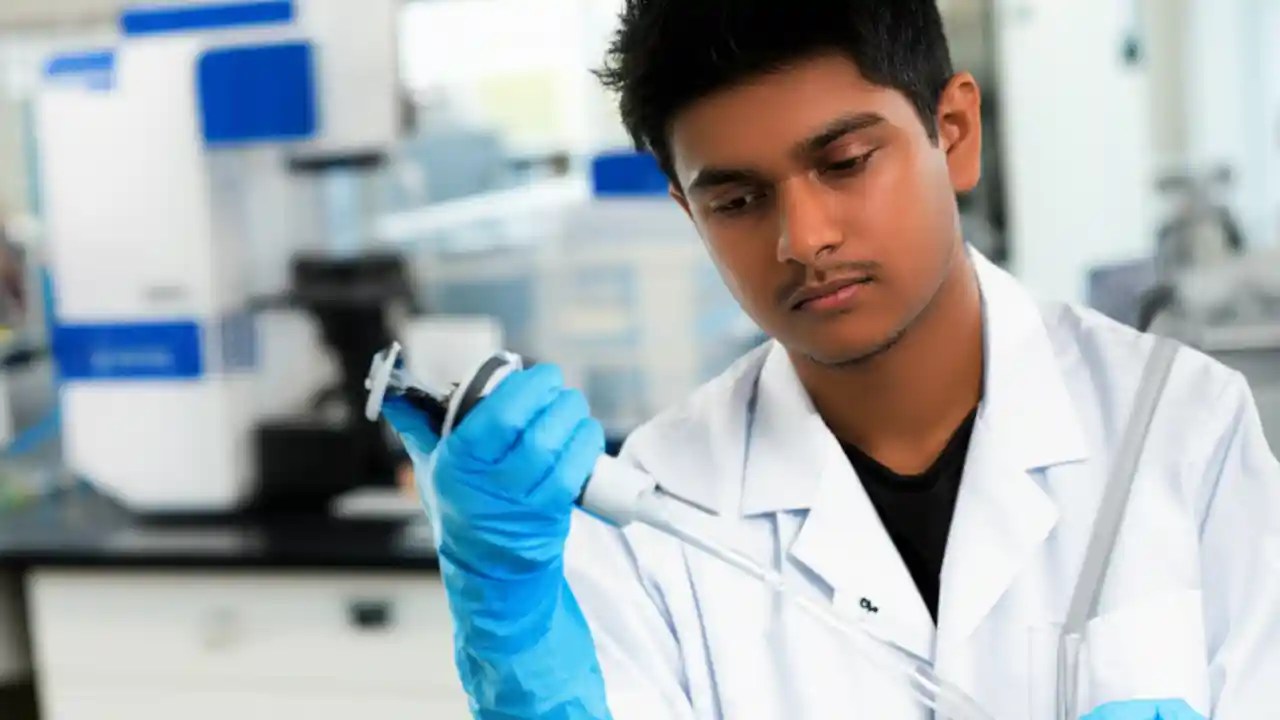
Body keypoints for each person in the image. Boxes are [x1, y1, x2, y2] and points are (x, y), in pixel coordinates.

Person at [383, 1, 1280, 718]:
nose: (803, 239)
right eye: (737, 200)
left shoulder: (1178, 425)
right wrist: (511, 632)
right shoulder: (657, 504)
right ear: (690, 213)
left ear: (954, 131)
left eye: (846, 162)